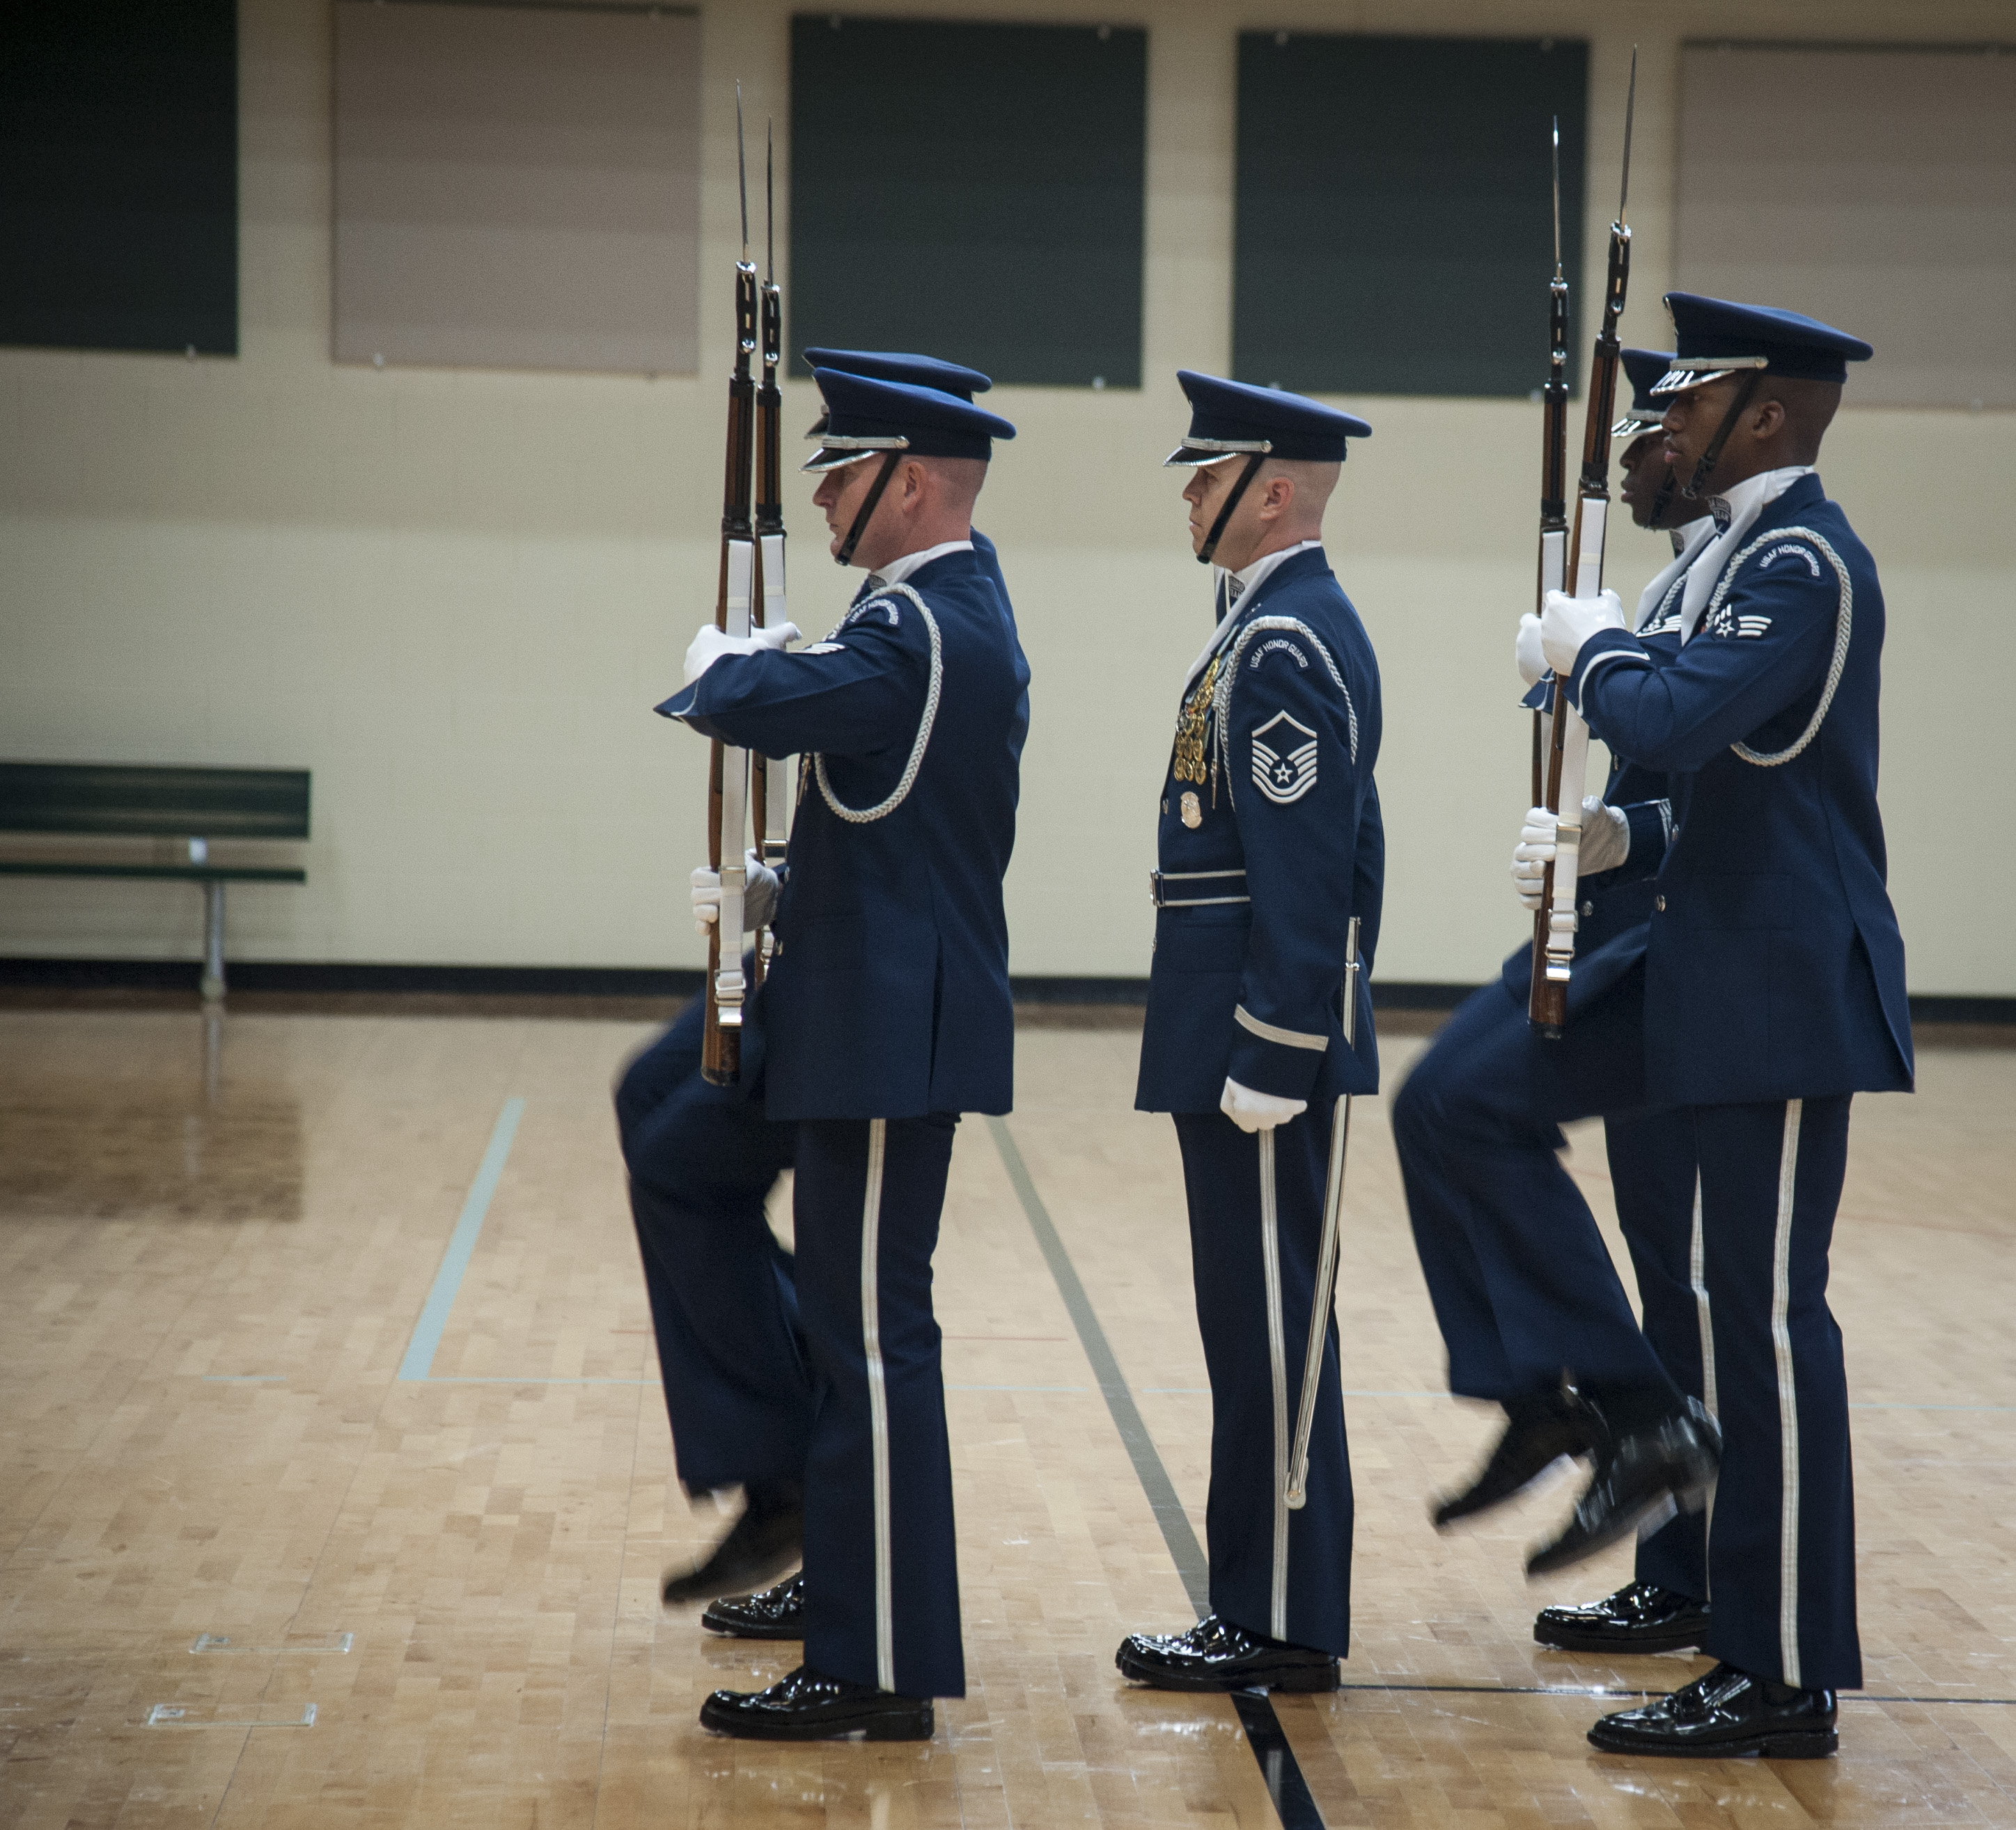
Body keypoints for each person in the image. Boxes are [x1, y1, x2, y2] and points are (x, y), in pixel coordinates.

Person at [1396, 292, 1911, 1758]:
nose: (1654, 427)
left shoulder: (1805, 562)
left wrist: (1595, 651)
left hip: (1782, 983)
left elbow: (1676, 714)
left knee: (1759, 1322)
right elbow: (1700, 778)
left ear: (1760, 415)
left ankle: (1783, 1669)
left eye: (1679, 406)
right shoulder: (1728, 560)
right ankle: (1598, 1405)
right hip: (1687, 957)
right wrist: (1615, 833)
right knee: (1455, 1103)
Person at [648, 365, 1028, 1741]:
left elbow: (756, 703)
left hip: (885, 1039)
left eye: (839, 467)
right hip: (847, 1012)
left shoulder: (928, 630)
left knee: (874, 1339)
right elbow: (871, 803)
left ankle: (875, 1662)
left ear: (908, 483)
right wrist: (771, 888)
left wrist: (723, 670)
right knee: (673, 1139)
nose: (815, 490)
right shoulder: (906, 619)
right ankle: (787, 1483)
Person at [1434, 350, 1726, 1660]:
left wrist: (1627, 835)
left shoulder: (1752, 584)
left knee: (1693, 1287)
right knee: (1661, 1280)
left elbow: (1733, 797)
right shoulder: (1682, 578)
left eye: (1649, 432)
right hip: (1623, 942)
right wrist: (1600, 831)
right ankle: (1672, 1567)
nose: (1628, 458)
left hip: (1690, 958)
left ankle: (1707, 1571)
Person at [1114, 372, 1382, 1693]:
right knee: (1249, 1322)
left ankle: (1276, 1619)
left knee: (1272, 1325)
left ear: (1270, 491)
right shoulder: (1264, 625)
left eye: (1206, 474)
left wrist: (1277, 1048)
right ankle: (1261, 1601)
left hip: (1253, 1046)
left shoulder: (1285, 642)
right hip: (1230, 1034)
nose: (1187, 491)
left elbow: (1310, 868)